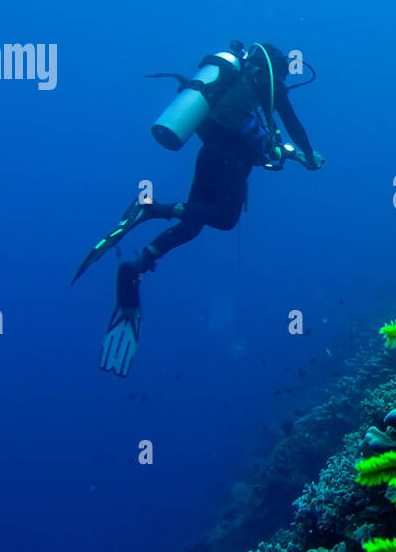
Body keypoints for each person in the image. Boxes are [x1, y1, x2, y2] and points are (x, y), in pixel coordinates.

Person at [73, 41, 324, 376]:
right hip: (229, 159)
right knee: (224, 218)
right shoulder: (268, 83)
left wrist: (295, 154)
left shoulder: (243, 87)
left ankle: (137, 265)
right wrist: (308, 153)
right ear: (274, 66)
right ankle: (150, 208)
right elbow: (290, 122)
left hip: (211, 153)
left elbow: (268, 142)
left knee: (192, 223)